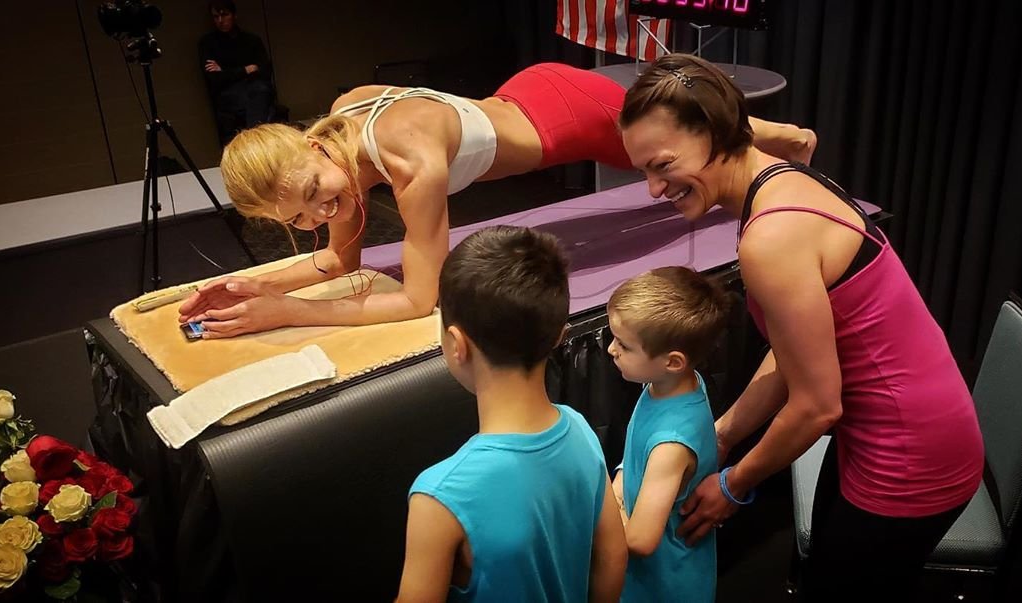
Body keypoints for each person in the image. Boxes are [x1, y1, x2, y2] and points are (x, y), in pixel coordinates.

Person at [617, 54, 984, 602]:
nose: (652, 188)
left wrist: (732, 486)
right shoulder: (782, 181)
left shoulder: (772, 238)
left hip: (911, 451)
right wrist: (723, 435)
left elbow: (816, 404)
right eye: (642, 170)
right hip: (895, 428)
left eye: (662, 164)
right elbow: (795, 352)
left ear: (717, 132)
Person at [177, 62, 816, 337]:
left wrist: (292, 313)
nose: (322, 215)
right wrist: (253, 287)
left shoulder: (408, 162)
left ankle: (790, 136)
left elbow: (417, 299)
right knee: (675, 140)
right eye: (301, 218)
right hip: (522, 98)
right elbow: (339, 264)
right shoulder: (338, 130)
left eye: (318, 196)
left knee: (690, 137)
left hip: (566, 117)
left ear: (309, 149)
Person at [396, 225, 627, 602]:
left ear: (456, 344)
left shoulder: (439, 496)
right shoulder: (581, 430)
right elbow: (613, 557)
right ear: (559, 335)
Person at [605, 267, 728, 602]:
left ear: (672, 361)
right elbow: (635, 454)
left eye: (624, 345)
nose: (610, 350)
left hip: (662, 586)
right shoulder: (670, 385)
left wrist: (596, 519)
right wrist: (616, 490)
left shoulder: (670, 445)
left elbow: (640, 540)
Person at [198, 0, 276, 145]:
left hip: (255, 92)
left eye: (224, 15)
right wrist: (245, 69)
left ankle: (256, 141)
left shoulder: (251, 40)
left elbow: (264, 71)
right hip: (228, 98)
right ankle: (255, 141)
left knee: (261, 91)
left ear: (234, 15)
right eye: (216, 17)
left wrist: (225, 71)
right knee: (258, 94)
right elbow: (215, 79)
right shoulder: (208, 43)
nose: (220, 21)